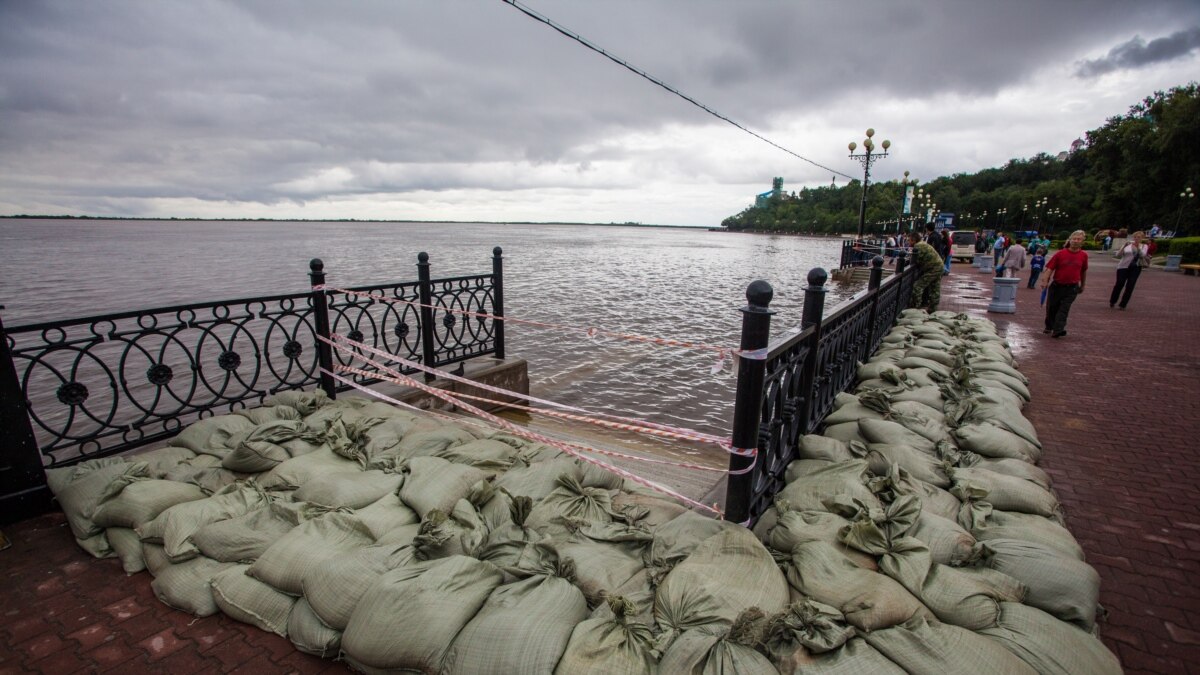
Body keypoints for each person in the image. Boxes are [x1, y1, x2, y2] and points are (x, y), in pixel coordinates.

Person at [1040, 229, 1089, 338]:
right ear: (1070, 240)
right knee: (1052, 308)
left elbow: (1083, 271)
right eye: (1074, 239)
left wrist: (1083, 285)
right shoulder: (1060, 254)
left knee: (1064, 309)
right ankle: (1049, 326)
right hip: (1057, 286)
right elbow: (1049, 269)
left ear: (1082, 241)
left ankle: (1058, 329)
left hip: (1072, 288)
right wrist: (1045, 281)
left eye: (1079, 239)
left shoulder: (1083, 255)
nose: (1076, 241)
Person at [1110, 230, 1149, 309]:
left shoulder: (1144, 246)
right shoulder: (1128, 245)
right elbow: (1118, 255)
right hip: (1123, 267)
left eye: (1138, 237)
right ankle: (1113, 301)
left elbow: (1143, 255)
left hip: (1136, 268)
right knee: (1120, 283)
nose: (1136, 239)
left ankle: (1123, 304)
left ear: (1142, 238)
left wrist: (1138, 247)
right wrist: (1124, 247)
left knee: (1130, 285)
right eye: (1135, 237)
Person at [907, 231, 943, 312]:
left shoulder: (918, 246)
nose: (908, 242)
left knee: (917, 286)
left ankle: (916, 308)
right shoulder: (922, 244)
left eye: (909, 240)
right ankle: (933, 309)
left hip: (933, 268)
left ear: (913, 240)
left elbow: (916, 261)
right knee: (935, 289)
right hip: (938, 266)